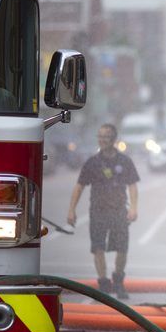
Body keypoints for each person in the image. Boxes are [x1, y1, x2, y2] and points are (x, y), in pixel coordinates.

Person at [67, 123, 140, 299]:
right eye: (99, 136)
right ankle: (103, 283)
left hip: (119, 212)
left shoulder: (125, 161)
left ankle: (118, 281)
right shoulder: (92, 162)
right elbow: (79, 186)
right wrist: (72, 210)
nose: (102, 139)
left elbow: (132, 185)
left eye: (105, 136)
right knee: (98, 248)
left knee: (121, 248)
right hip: (98, 211)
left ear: (114, 139)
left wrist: (134, 208)